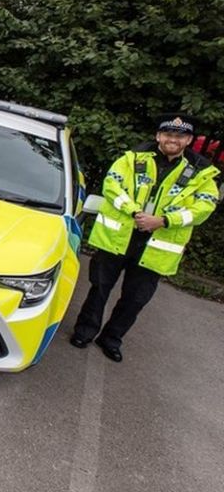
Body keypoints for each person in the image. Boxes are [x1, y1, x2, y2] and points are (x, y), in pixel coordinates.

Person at [70, 114, 219, 362]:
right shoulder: (131, 159)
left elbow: (203, 207)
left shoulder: (200, 173)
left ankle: (111, 339)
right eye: (168, 134)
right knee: (99, 288)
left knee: (135, 299)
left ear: (189, 140)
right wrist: (134, 212)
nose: (173, 139)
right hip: (118, 237)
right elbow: (112, 185)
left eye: (180, 136)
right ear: (159, 136)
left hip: (157, 245)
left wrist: (163, 221)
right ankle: (84, 332)